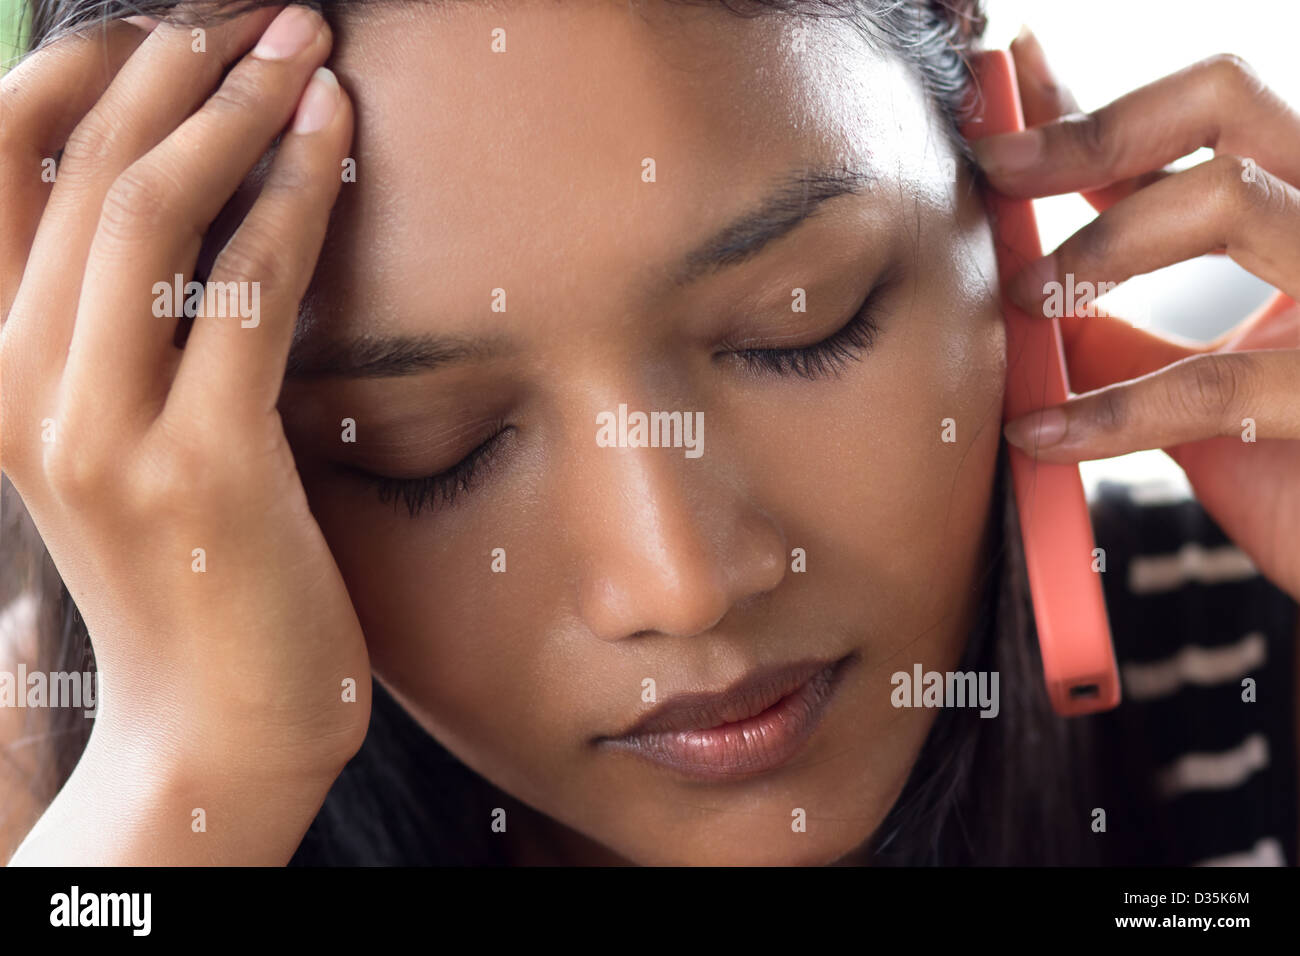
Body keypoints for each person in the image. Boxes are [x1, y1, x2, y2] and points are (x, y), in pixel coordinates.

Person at [1, 0, 1296, 866]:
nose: (680, 582)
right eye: (422, 446)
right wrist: (187, 785)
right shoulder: (58, 809)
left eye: (802, 323)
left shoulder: (1256, 645)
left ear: (997, 155)